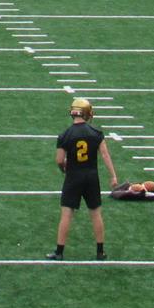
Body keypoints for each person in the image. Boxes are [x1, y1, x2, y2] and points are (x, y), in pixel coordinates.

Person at [50, 99, 120, 260]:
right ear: (87, 113)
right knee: (95, 214)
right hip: (91, 176)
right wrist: (113, 175)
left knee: (67, 213)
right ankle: (100, 251)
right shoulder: (96, 133)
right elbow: (105, 154)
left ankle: (59, 252)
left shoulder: (65, 135)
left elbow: (59, 160)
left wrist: (63, 168)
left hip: (73, 176)